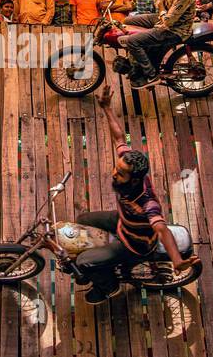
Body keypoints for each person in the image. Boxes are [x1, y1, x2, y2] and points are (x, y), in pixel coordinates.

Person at [73, 86, 196, 304]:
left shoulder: (147, 202)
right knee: (82, 220)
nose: (114, 173)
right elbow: (119, 138)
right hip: (123, 221)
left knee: (84, 261)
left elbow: (161, 228)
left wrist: (177, 260)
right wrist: (107, 109)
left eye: (120, 174)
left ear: (135, 179)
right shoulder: (129, 166)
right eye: (116, 168)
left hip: (134, 244)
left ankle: (109, 288)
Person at [117, 0, 196, 89]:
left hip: (176, 29)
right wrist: (160, 7)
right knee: (127, 21)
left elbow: (168, 21)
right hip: (162, 17)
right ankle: (137, 61)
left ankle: (151, 75)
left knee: (133, 41)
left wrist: (160, 8)